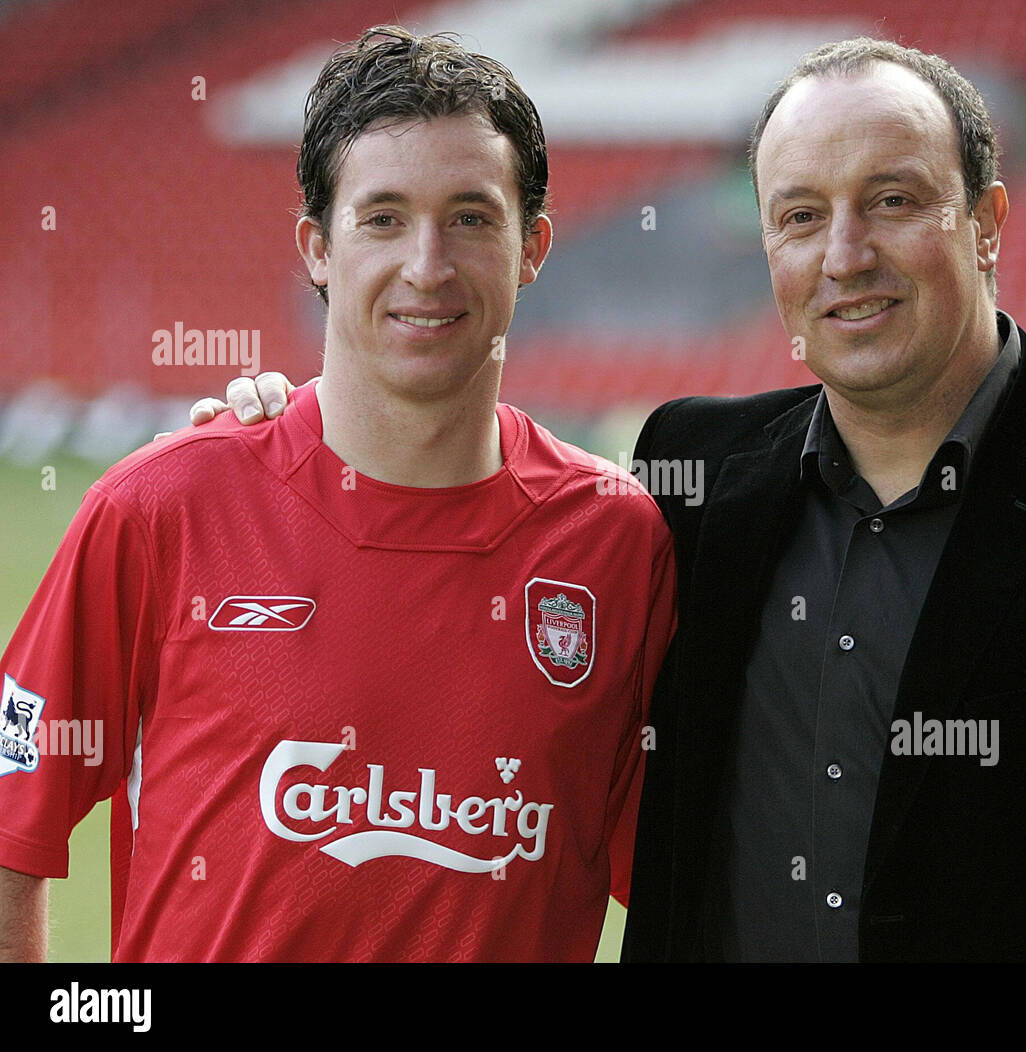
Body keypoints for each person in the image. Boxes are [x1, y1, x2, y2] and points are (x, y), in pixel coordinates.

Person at [186, 37, 1026, 963]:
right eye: (800, 214)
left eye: (893, 201)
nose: (845, 254)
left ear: (988, 219)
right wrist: (284, 421)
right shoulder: (695, 472)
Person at [0, 26, 674, 962]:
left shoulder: (616, 543)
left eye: (472, 217)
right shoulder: (160, 508)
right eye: (384, 217)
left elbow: (683, 890)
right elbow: (10, 827)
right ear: (318, 248)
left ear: (534, 246)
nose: (427, 266)